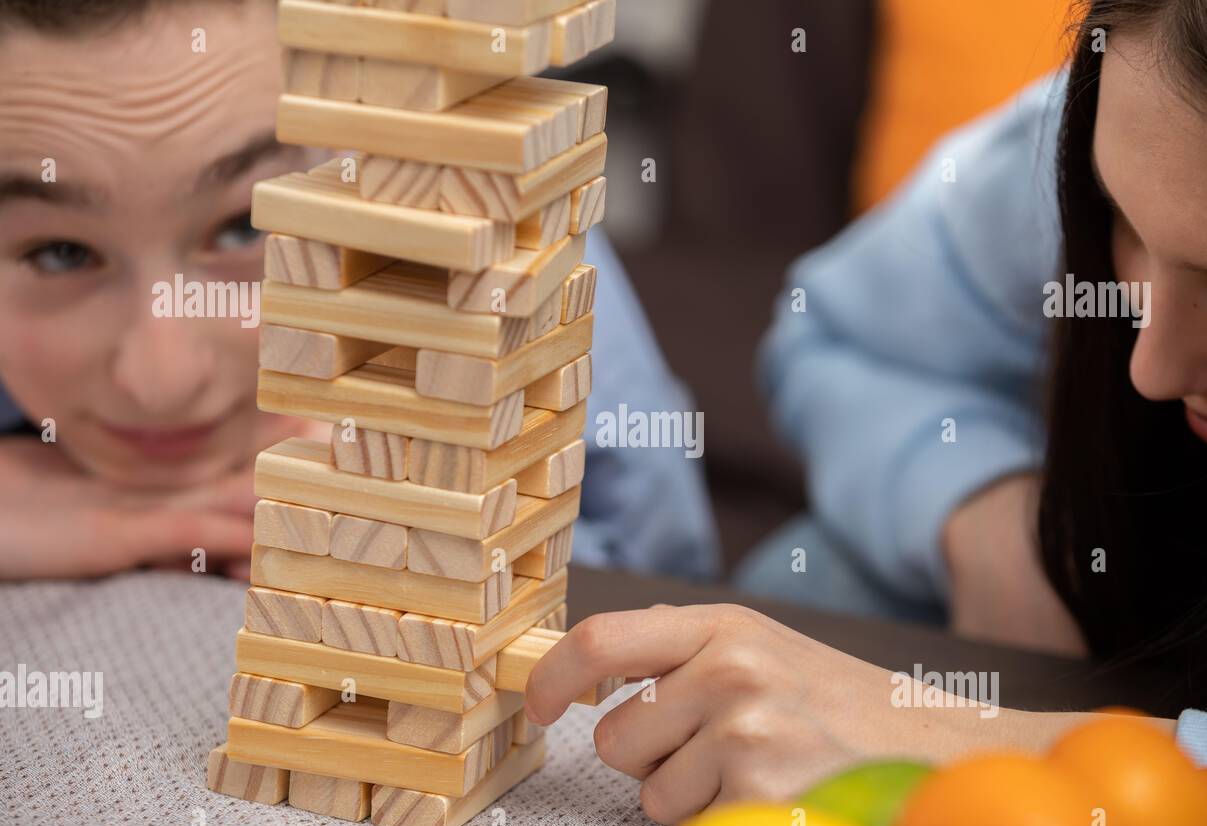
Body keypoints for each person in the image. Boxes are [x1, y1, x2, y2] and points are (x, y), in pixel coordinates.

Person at [527, 0, 1207, 824]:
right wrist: (979, 515)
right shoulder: (1149, 99)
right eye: (1125, 227)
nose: (1153, 369)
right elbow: (835, 336)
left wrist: (961, 739)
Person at [0, 0, 719, 581]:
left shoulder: (509, 236)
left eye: (245, 227)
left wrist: (447, 542)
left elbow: (666, 581)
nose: (162, 381)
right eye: (60, 254)